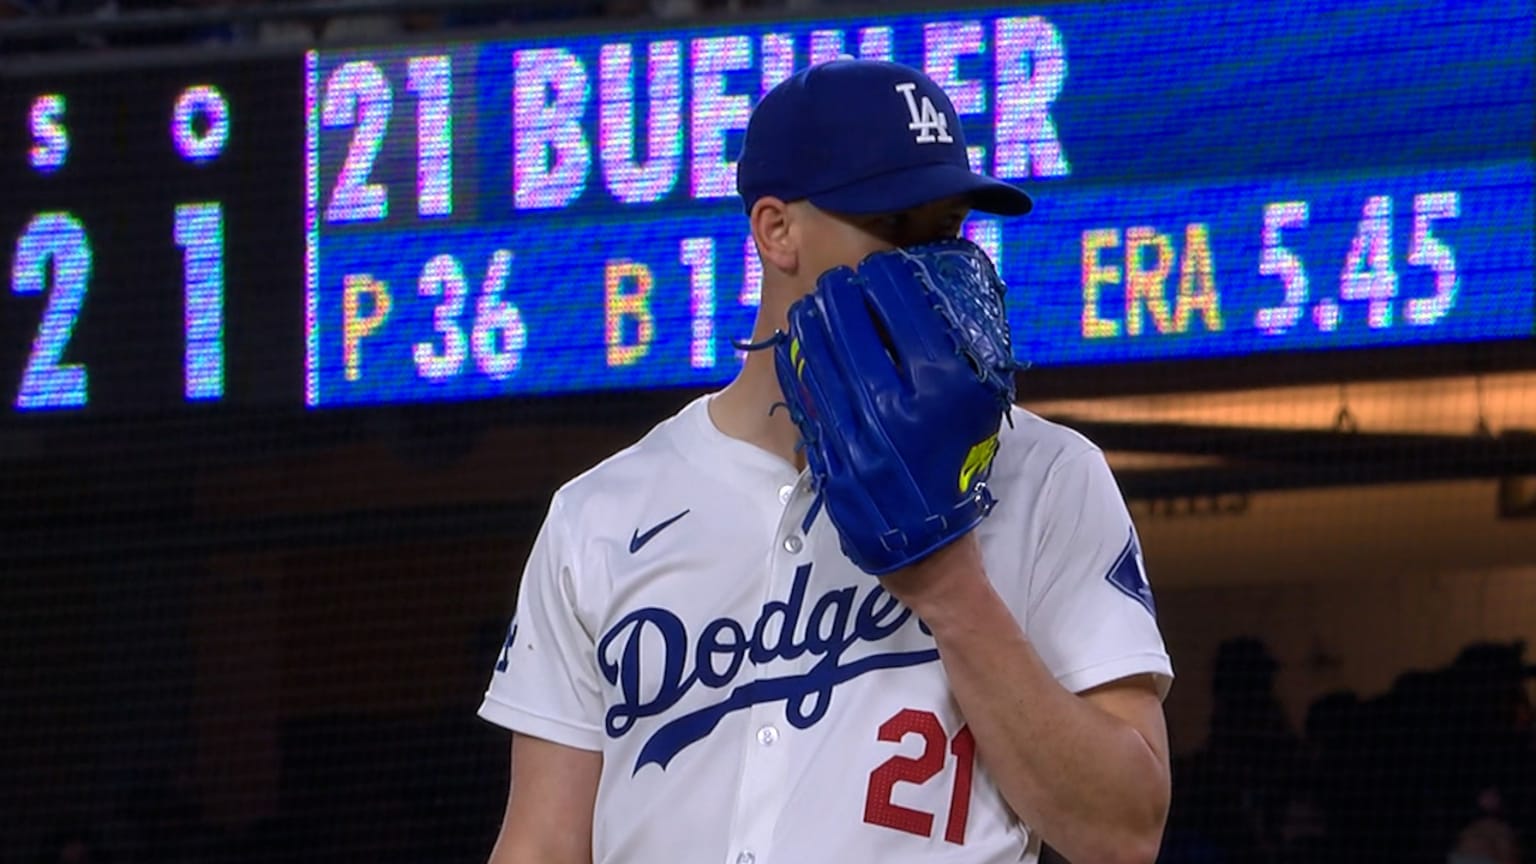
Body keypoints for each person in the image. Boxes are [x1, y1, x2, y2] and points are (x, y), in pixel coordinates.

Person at [478, 58, 1174, 864]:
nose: (930, 266)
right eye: (895, 227)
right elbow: (542, 842)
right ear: (777, 231)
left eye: (947, 230)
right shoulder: (601, 513)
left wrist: (950, 590)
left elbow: (1124, 832)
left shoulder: (1047, 476)